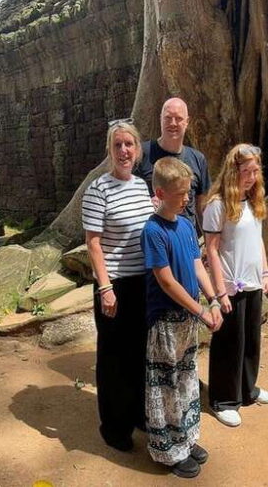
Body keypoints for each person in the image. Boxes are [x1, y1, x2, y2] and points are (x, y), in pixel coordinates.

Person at [141, 157, 224, 478]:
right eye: (180, 194)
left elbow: (196, 265)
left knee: (187, 377)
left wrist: (214, 299)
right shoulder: (153, 230)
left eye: (189, 192)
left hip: (188, 319)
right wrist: (199, 308)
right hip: (165, 320)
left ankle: (186, 439)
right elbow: (165, 279)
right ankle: (169, 450)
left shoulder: (186, 225)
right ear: (160, 193)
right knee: (167, 383)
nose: (187, 198)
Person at [82, 121, 155, 451]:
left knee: (140, 353)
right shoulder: (98, 189)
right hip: (114, 285)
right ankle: (114, 427)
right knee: (114, 359)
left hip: (143, 284)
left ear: (137, 149)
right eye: (118, 145)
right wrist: (105, 288)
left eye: (129, 145)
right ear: (110, 151)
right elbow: (93, 243)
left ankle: (138, 413)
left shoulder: (141, 186)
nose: (124, 151)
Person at [203, 143, 268, 427]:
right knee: (229, 343)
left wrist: (266, 273)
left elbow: (258, 240)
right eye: (246, 171)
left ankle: (247, 390)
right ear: (234, 172)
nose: (252, 177)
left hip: (254, 282)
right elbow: (211, 250)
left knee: (250, 342)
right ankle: (223, 399)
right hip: (231, 284)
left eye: (256, 171)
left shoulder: (254, 200)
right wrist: (219, 291)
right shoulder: (218, 205)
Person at [134, 98, 211, 229]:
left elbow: (202, 207)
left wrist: (209, 242)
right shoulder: (141, 154)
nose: (173, 123)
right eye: (168, 118)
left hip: (186, 238)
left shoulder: (198, 159)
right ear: (160, 119)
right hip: (153, 236)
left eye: (179, 118)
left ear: (187, 122)